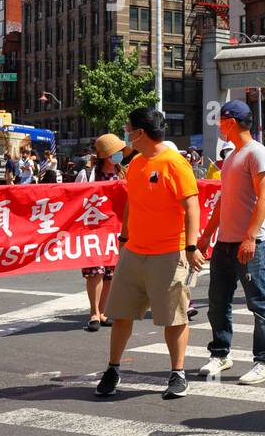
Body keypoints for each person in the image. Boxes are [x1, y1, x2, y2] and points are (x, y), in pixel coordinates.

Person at [95, 108, 204, 400]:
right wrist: (125, 236)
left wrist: (191, 247)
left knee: (175, 318)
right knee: (120, 315)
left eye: (128, 129)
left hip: (169, 253)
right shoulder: (137, 165)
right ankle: (113, 368)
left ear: (140, 133)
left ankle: (177, 373)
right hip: (134, 252)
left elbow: (192, 206)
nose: (126, 134)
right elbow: (132, 201)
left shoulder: (175, 164)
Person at [195, 100, 265, 385]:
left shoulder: (256, 153)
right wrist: (207, 235)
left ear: (230, 122)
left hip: (249, 243)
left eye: (220, 121)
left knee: (259, 302)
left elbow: (264, 197)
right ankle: (220, 354)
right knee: (218, 302)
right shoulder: (232, 156)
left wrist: (250, 236)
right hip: (225, 242)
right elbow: (223, 201)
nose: (218, 126)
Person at [80, 134, 126, 332]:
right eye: (115, 152)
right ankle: (93, 312)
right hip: (92, 229)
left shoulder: (123, 174)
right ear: (106, 155)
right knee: (94, 272)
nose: (119, 156)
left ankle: (104, 310)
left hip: (115, 230)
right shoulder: (88, 174)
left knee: (110, 273)